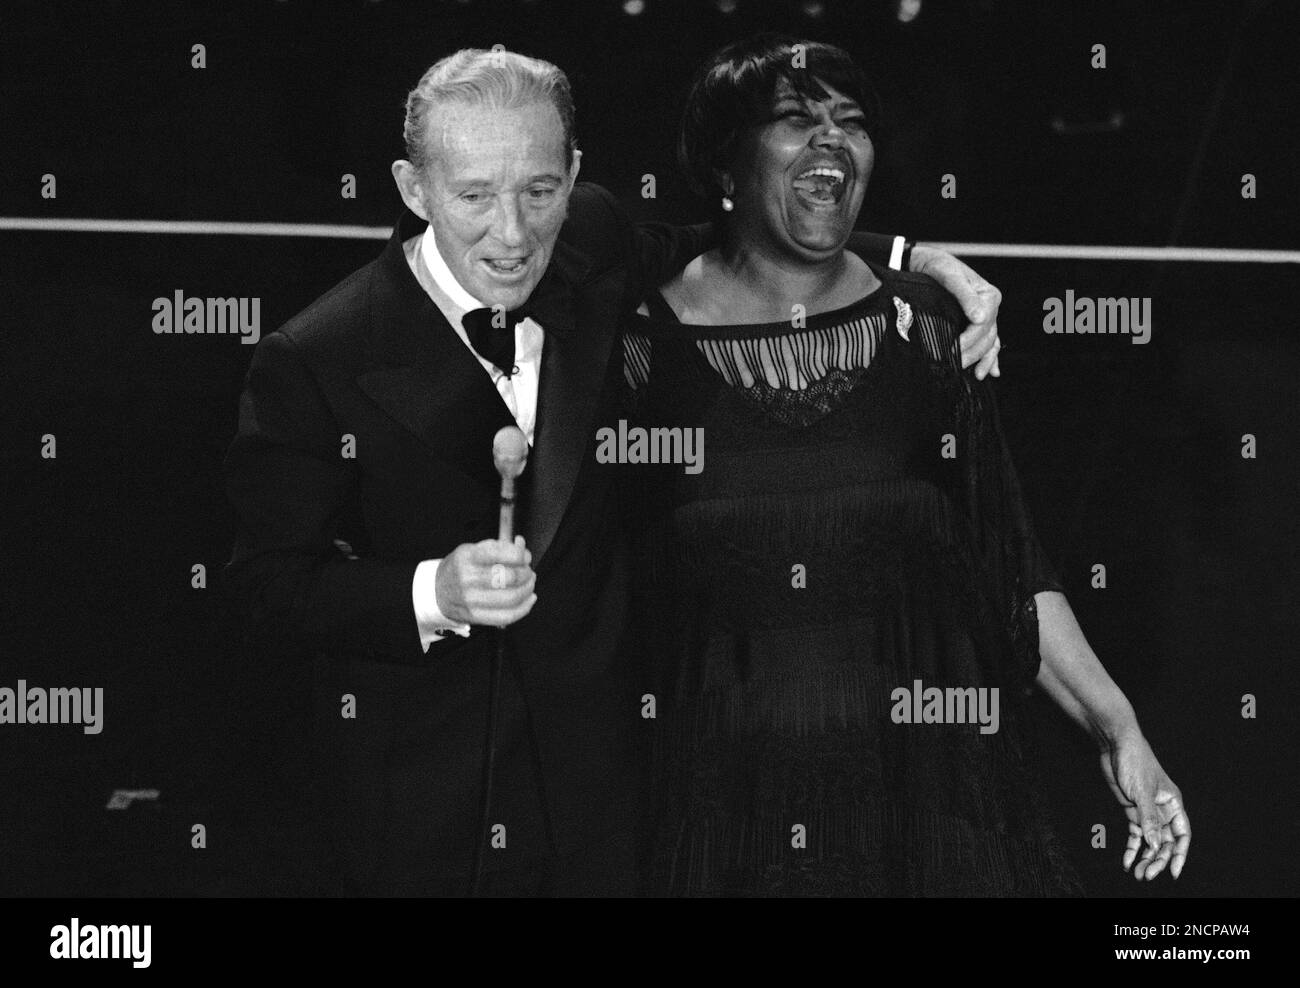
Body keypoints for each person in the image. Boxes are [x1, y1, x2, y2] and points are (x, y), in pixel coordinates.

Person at [223, 47, 1005, 897]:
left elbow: (744, 235)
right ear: (414, 191)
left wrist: (918, 259)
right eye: (475, 196)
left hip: (614, 810)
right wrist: (429, 593)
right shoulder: (316, 357)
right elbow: (263, 586)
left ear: (575, 175)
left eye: (539, 190)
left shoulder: (591, 241)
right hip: (426, 820)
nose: (514, 234)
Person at [624, 34, 1190, 896]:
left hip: (924, 808)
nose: (831, 141)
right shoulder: (635, 350)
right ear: (724, 164)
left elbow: (1009, 565)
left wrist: (1120, 729)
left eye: (850, 123)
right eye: (795, 121)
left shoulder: (931, 329)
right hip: (718, 822)